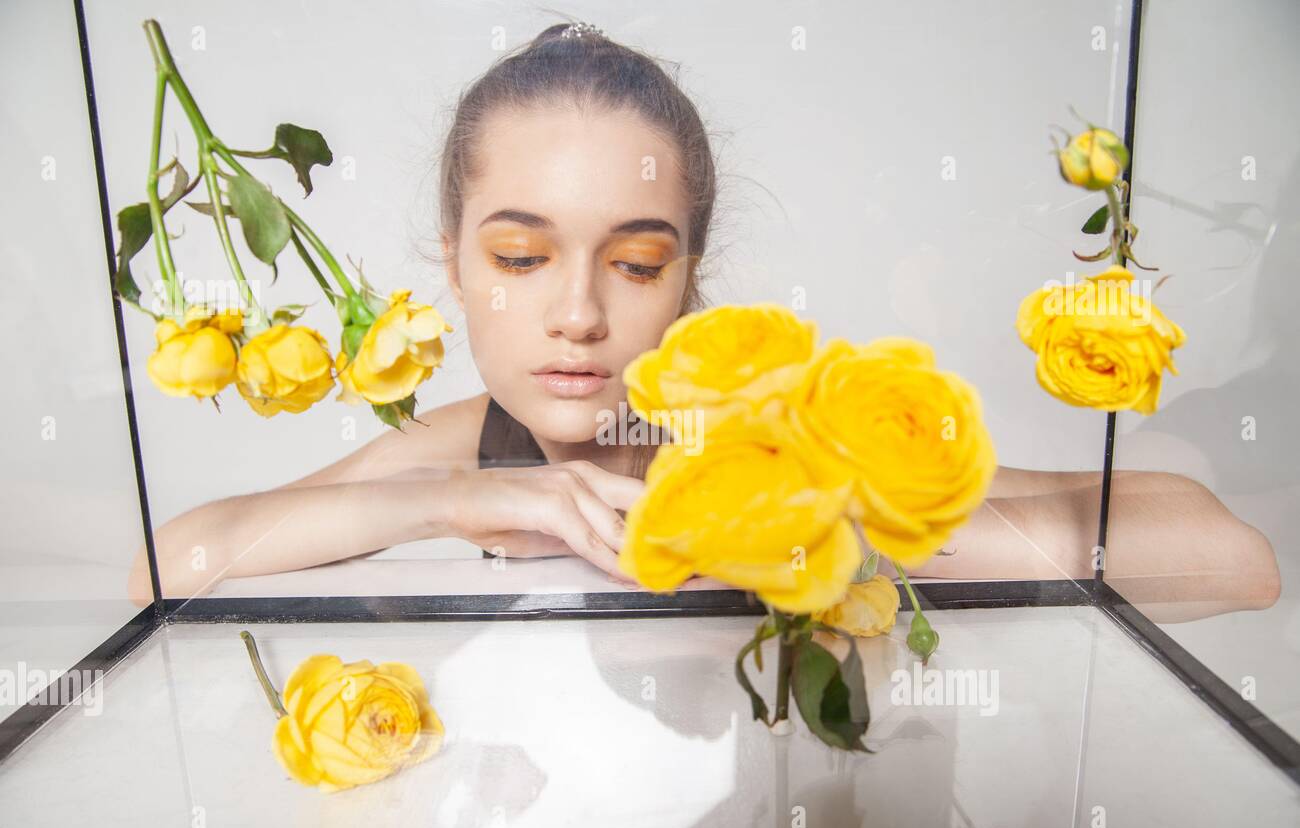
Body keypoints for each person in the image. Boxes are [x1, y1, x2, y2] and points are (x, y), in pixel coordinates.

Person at [128, 22, 1280, 623]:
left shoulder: (769, 426)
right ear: (453, 263)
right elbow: (165, 564)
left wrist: (797, 544)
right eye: (521, 257)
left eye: (633, 263)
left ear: (690, 280)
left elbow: (1231, 560)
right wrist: (460, 497)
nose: (575, 314)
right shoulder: (469, 445)